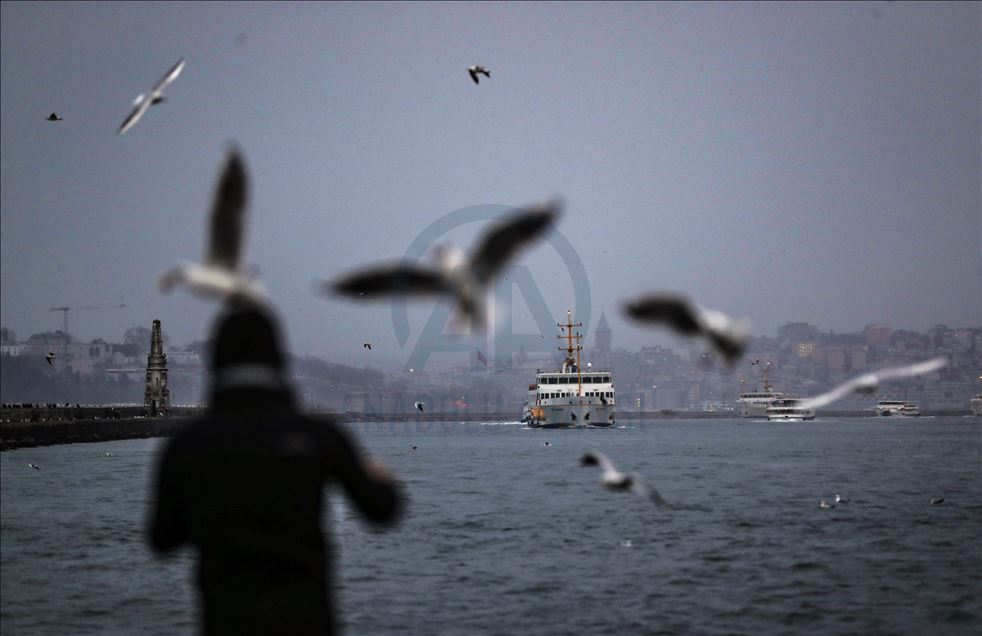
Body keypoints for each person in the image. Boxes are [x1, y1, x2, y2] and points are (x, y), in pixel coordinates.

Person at [148, 305, 401, 635]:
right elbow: (382, 510)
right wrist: (380, 475)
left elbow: (162, 539)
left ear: (217, 362)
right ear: (279, 360)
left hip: (228, 623)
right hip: (306, 622)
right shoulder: (318, 437)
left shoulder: (188, 444)